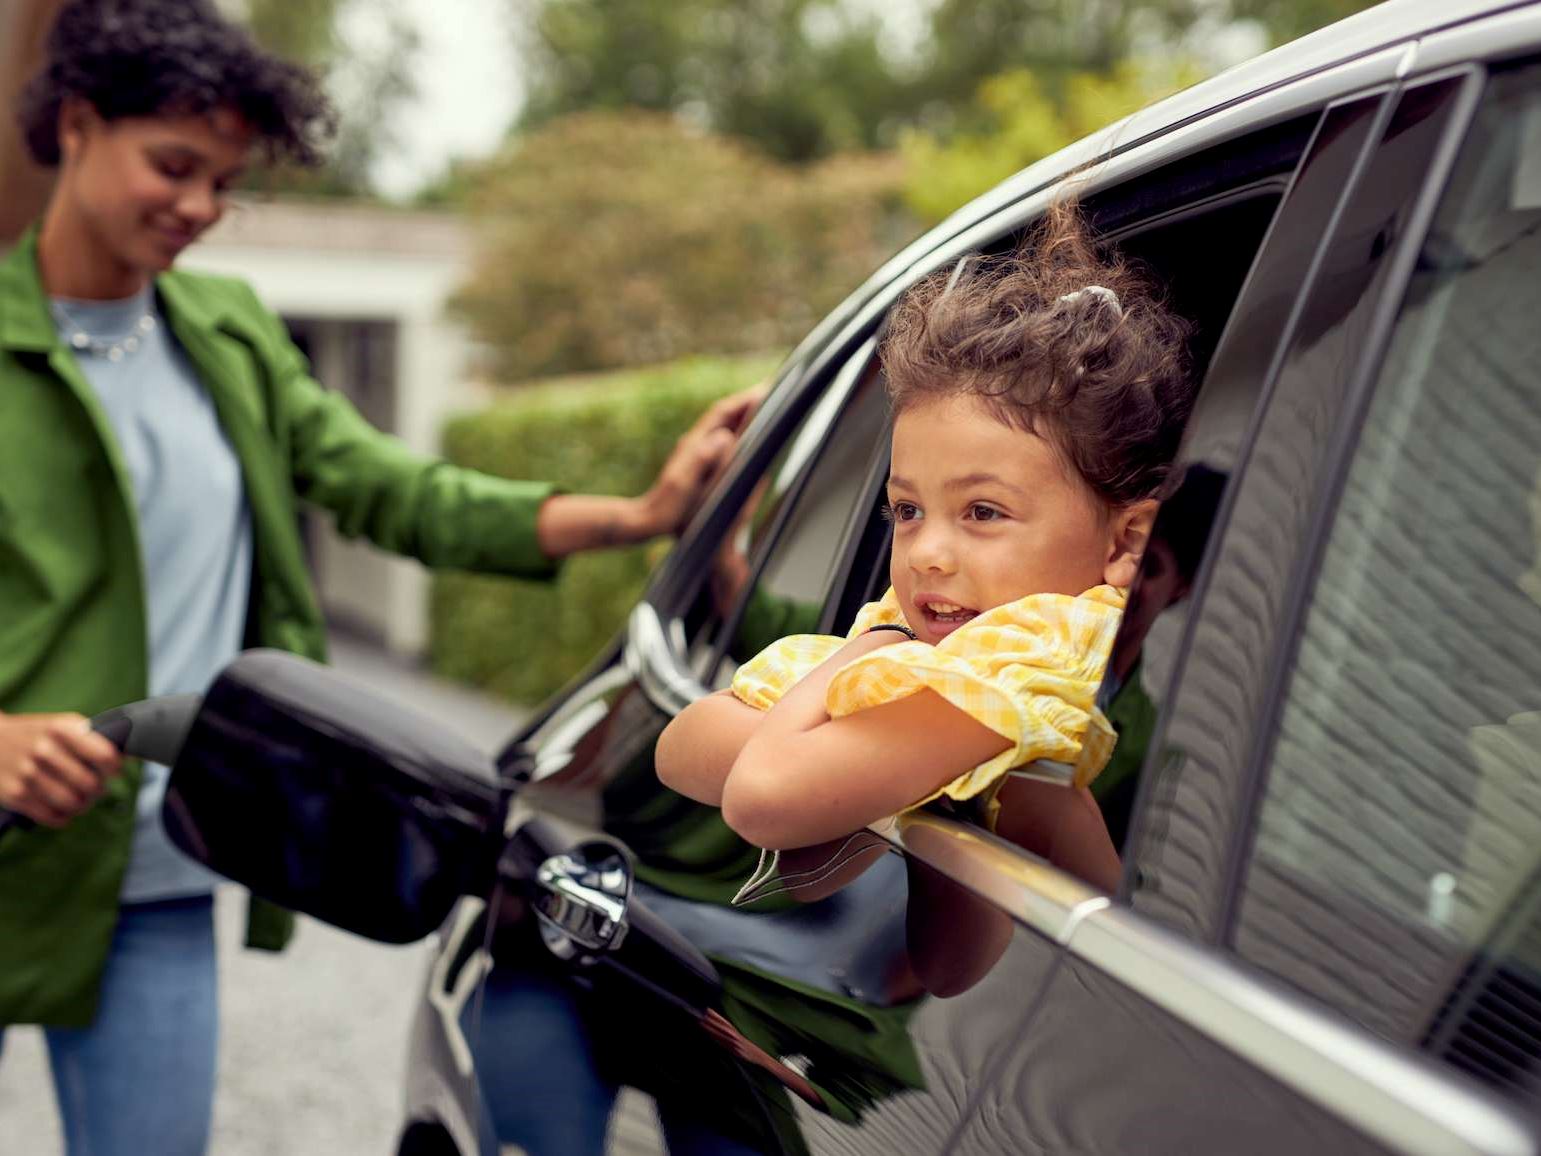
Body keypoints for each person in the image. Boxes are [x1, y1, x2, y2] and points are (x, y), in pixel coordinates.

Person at [0, 1, 757, 1152]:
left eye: (226, 182)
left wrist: (644, 514)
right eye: (175, 166)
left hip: (147, 873)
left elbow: (399, 492)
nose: (200, 207)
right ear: (77, 121)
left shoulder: (230, 332)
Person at [657, 200, 1197, 911]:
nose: (927, 554)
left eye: (983, 512)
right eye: (907, 511)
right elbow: (683, 744)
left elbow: (762, 795)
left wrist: (863, 655)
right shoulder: (962, 656)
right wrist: (877, 767)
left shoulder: (1024, 667)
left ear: (1126, 543)